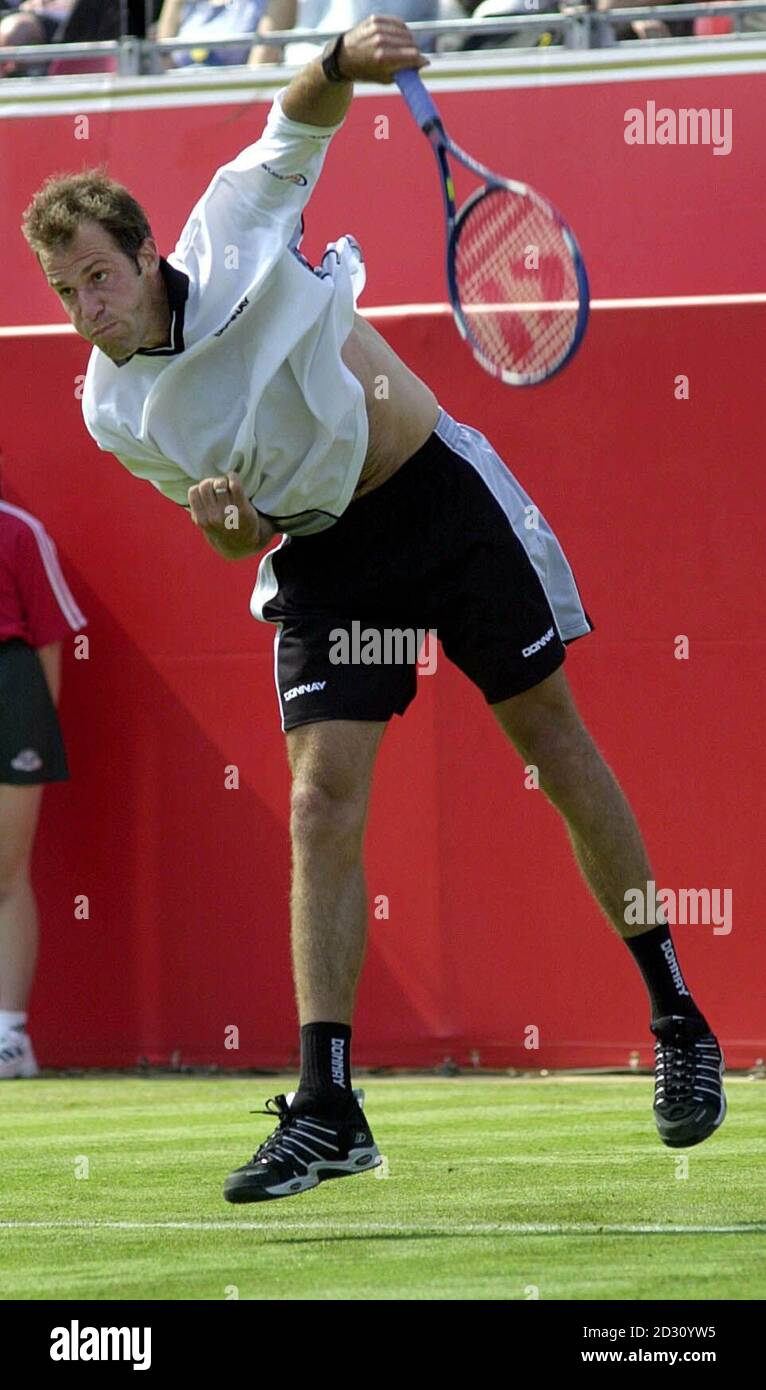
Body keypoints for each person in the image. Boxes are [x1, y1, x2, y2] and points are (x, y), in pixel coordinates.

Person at [22, 14, 726, 1200]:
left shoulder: (236, 219)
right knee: (318, 803)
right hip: (323, 554)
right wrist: (227, 530)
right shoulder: (113, 411)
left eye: (98, 273)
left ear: (146, 255)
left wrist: (345, 55)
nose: (87, 304)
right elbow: (229, 531)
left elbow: (297, 114)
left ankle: (675, 1016)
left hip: (435, 503)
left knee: (551, 743)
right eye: (63, 289)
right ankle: (328, 1103)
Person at [0, 490, 87, 1078]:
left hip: (12, 696)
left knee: (5, 869)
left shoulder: (19, 530)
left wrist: (38, 724)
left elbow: (52, 634)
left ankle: (10, 1037)